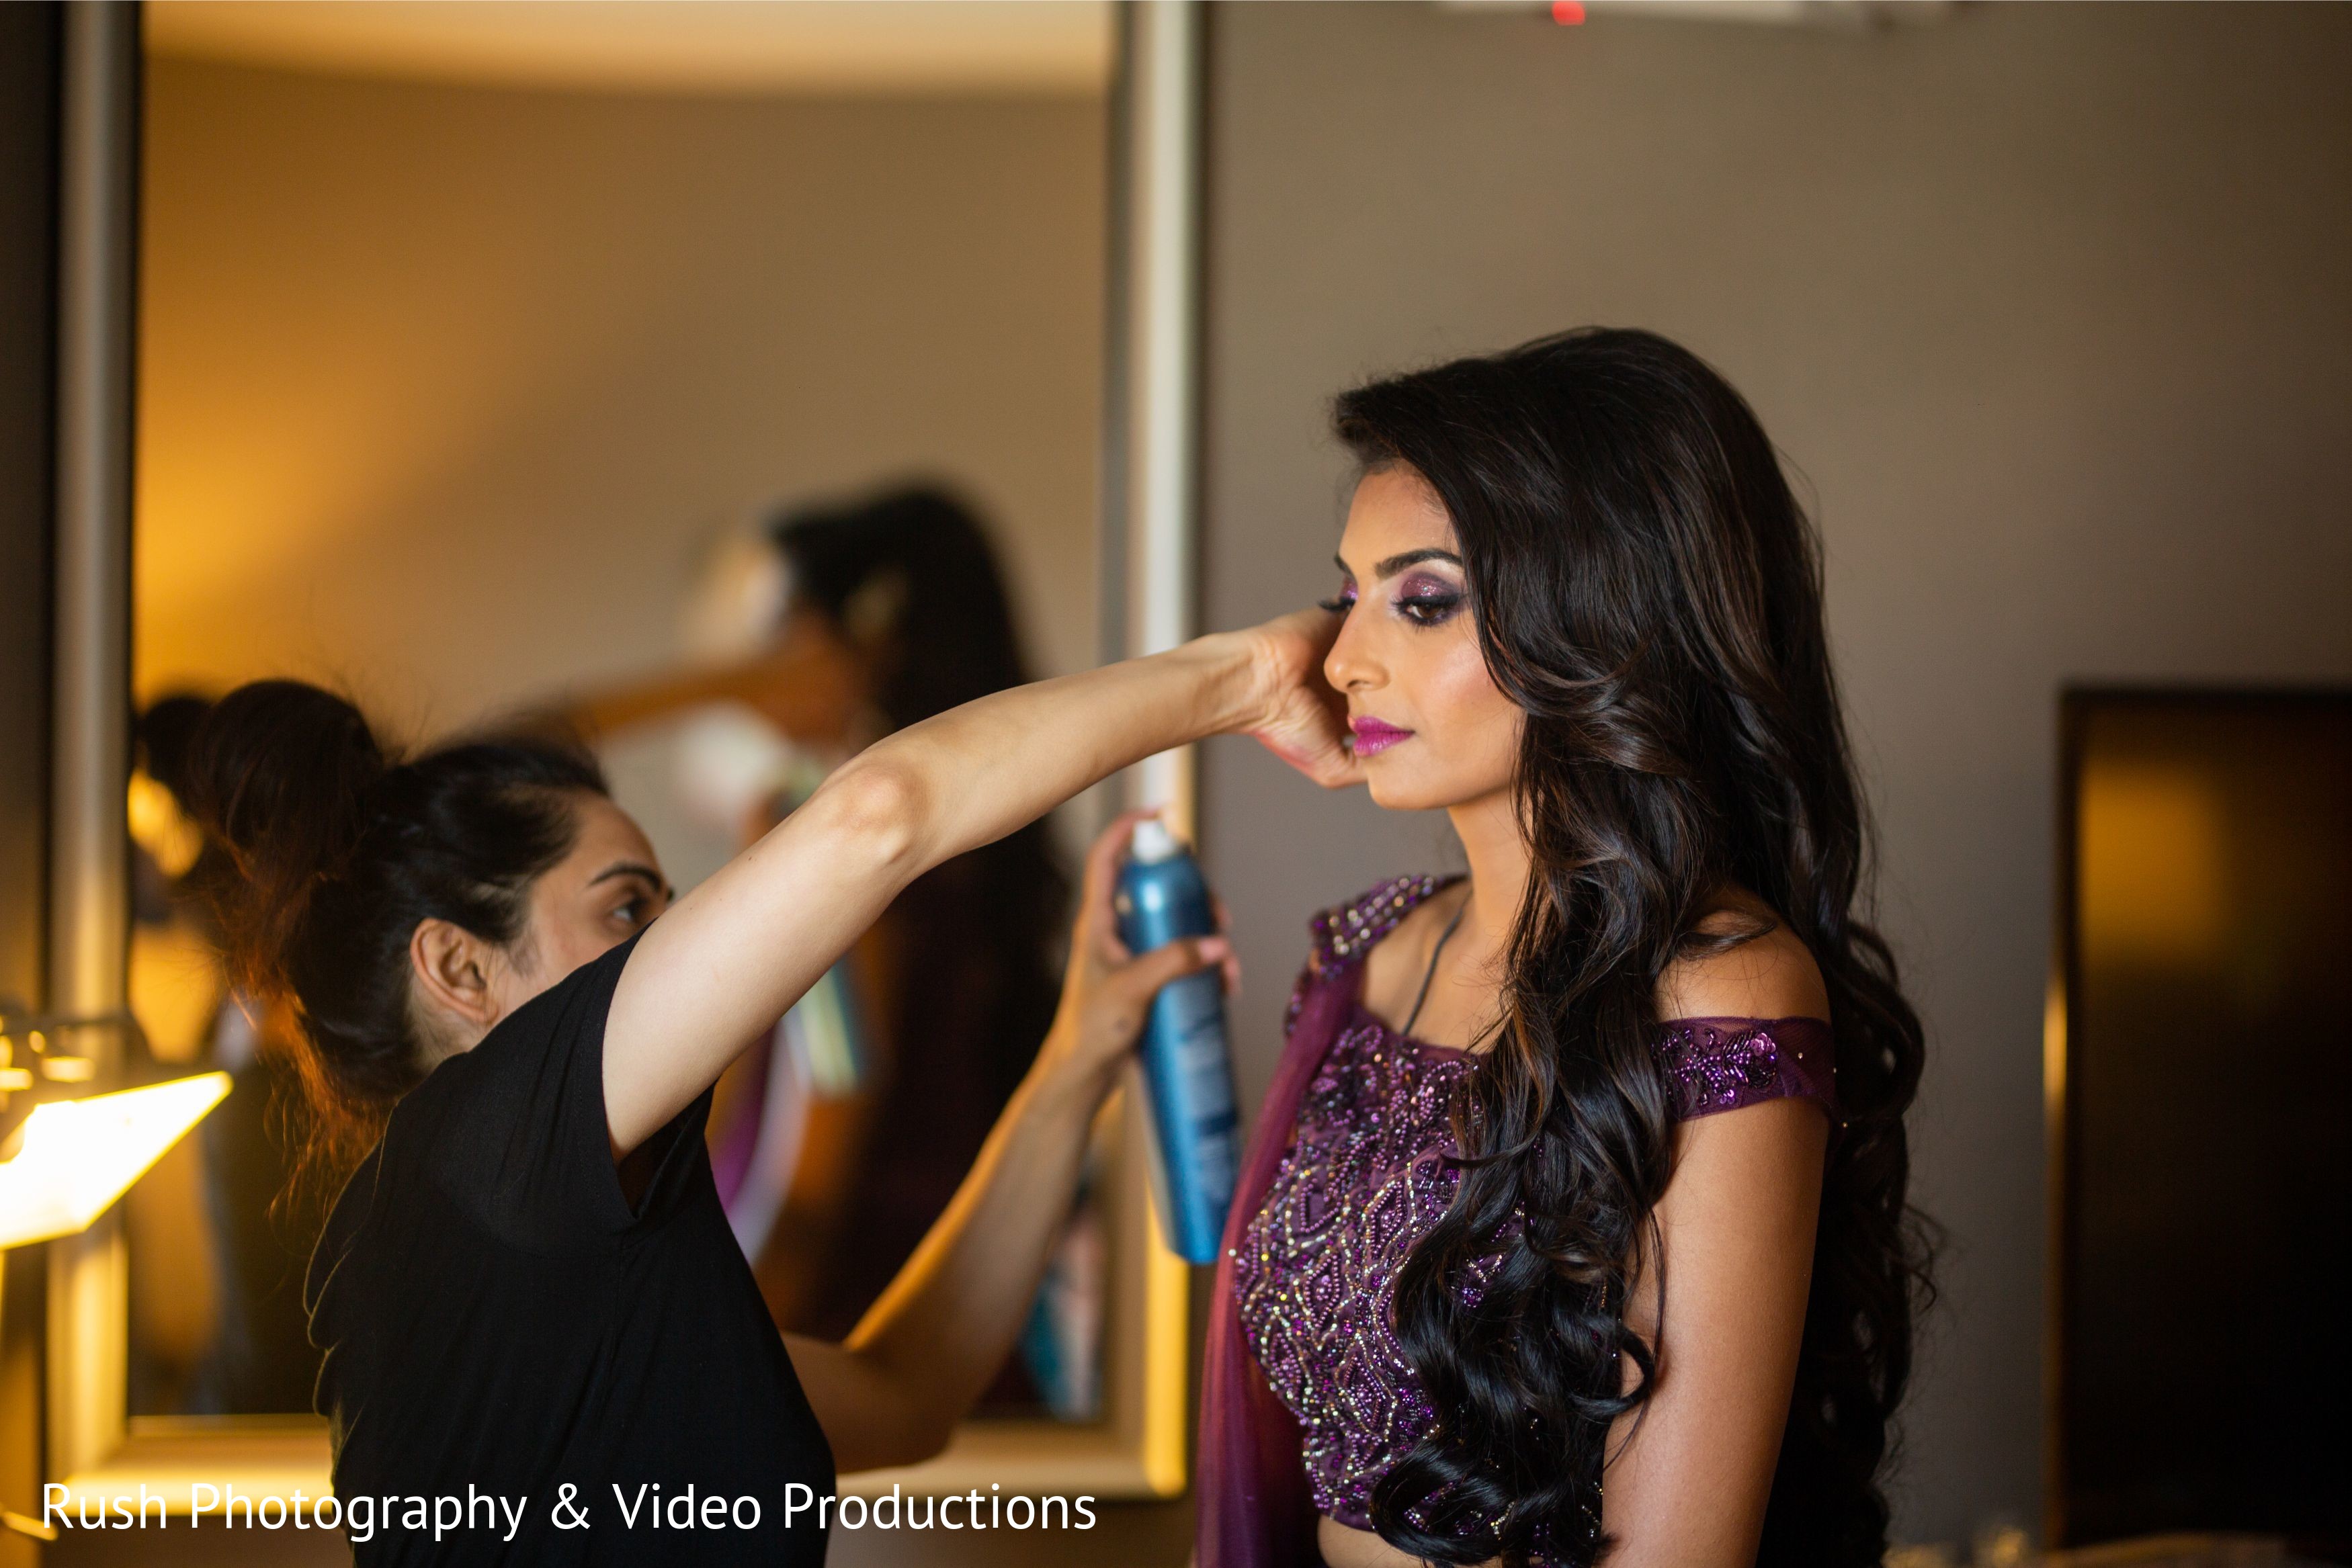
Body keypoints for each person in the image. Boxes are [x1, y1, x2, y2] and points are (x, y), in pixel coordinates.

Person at [182, 611, 1353, 1565]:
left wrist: (1080, 1050)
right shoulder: (470, 1153)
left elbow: (909, 1390)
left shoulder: (543, 1287)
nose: (668, 946)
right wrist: (1246, 676)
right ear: (458, 968)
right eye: (626, 907)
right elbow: (881, 813)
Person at [1198, 329, 1933, 1568]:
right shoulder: (1368, 958)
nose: (1342, 660)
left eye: (1422, 601)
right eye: (1348, 594)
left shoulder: (1716, 994)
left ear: (1597, 619)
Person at [575, 486, 1070, 1346]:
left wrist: (696, 1360)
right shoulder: (958, 854)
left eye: (778, 628)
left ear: (862, 644)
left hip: (822, 1326)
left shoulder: (840, 853)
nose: (758, 662)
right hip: (939, 1313)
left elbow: (810, 1189)